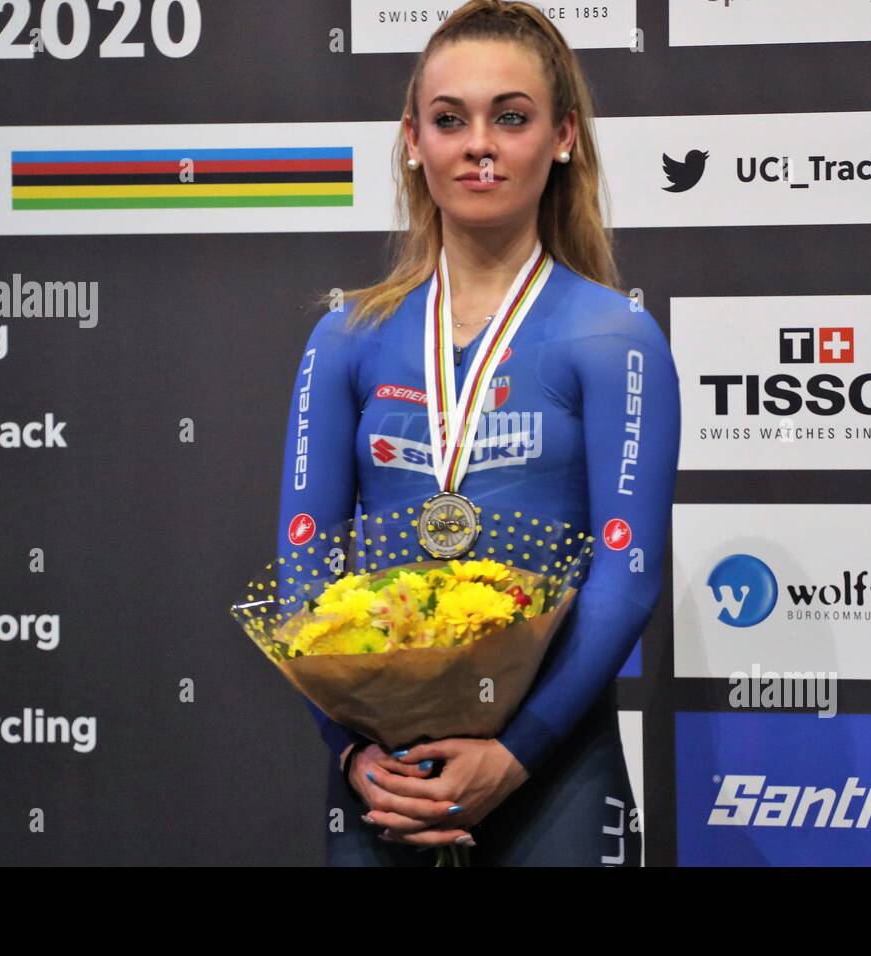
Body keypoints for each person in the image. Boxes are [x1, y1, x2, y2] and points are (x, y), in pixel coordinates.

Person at [274, 0, 680, 865]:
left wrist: (515, 752)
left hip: (556, 777)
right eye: (450, 119)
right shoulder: (345, 338)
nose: (479, 144)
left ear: (564, 136)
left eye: (512, 116)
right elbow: (304, 563)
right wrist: (353, 751)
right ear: (413, 141)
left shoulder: (613, 338)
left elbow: (628, 574)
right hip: (383, 785)